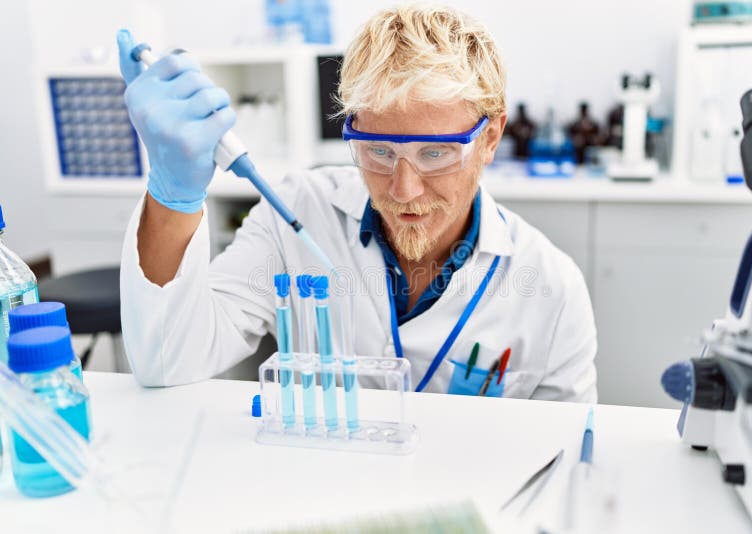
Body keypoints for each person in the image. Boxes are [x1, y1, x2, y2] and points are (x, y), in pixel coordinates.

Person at [117, 4, 597, 401]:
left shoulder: (554, 289)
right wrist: (173, 195)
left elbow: (568, 462)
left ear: (490, 137)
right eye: (379, 151)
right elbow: (167, 359)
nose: (403, 190)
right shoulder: (296, 212)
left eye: (435, 154)